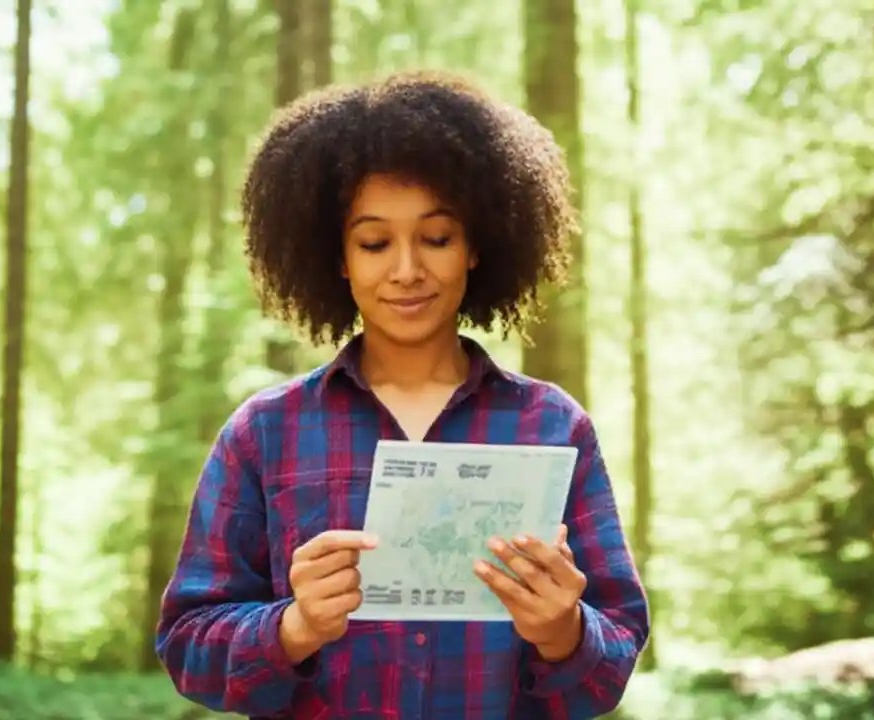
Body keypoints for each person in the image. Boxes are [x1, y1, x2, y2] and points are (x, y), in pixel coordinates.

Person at [155, 70, 650, 719]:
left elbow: (613, 656)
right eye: (374, 242)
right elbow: (188, 645)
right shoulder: (265, 432)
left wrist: (565, 632)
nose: (407, 269)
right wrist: (293, 627)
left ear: (476, 246)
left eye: (437, 238)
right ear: (338, 257)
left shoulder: (552, 425)